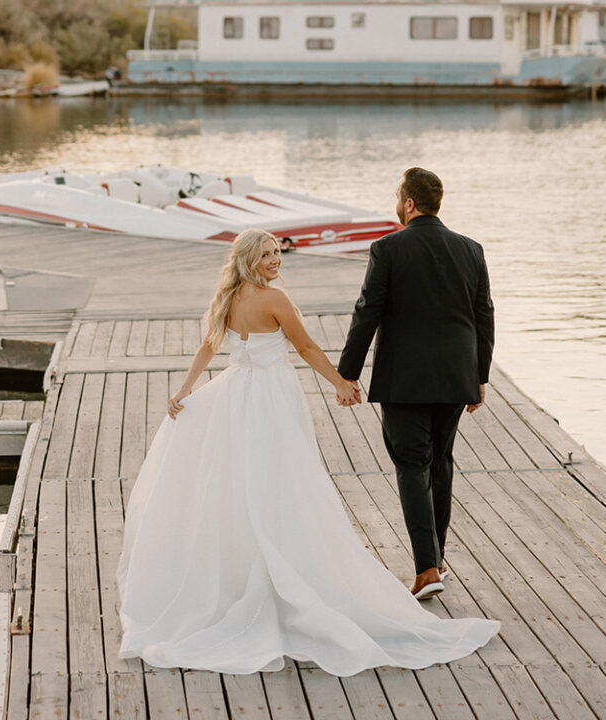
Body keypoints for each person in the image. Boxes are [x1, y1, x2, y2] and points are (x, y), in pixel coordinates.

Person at [116, 227, 498, 675]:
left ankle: (251, 568)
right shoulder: (274, 298)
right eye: (265, 255)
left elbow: (208, 346)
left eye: (277, 252)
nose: (275, 260)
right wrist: (340, 383)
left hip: (235, 395)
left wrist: (185, 389)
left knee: (244, 481)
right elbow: (306, 347)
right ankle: (281, 568)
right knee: (283, 480)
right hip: (272, 397)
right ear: (248, 260)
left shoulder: (227, 298)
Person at [338, 167, 495, 599]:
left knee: (412, 464)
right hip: (456, 375)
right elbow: (484, 315)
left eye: (397, 197)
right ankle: (436, 560)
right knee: (439, 462)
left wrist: (347, 372)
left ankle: (427, 570)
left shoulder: (387, 248)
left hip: (405, 378)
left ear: (408, 204)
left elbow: (368, 310)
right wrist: (479, 375)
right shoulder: (471, 249)